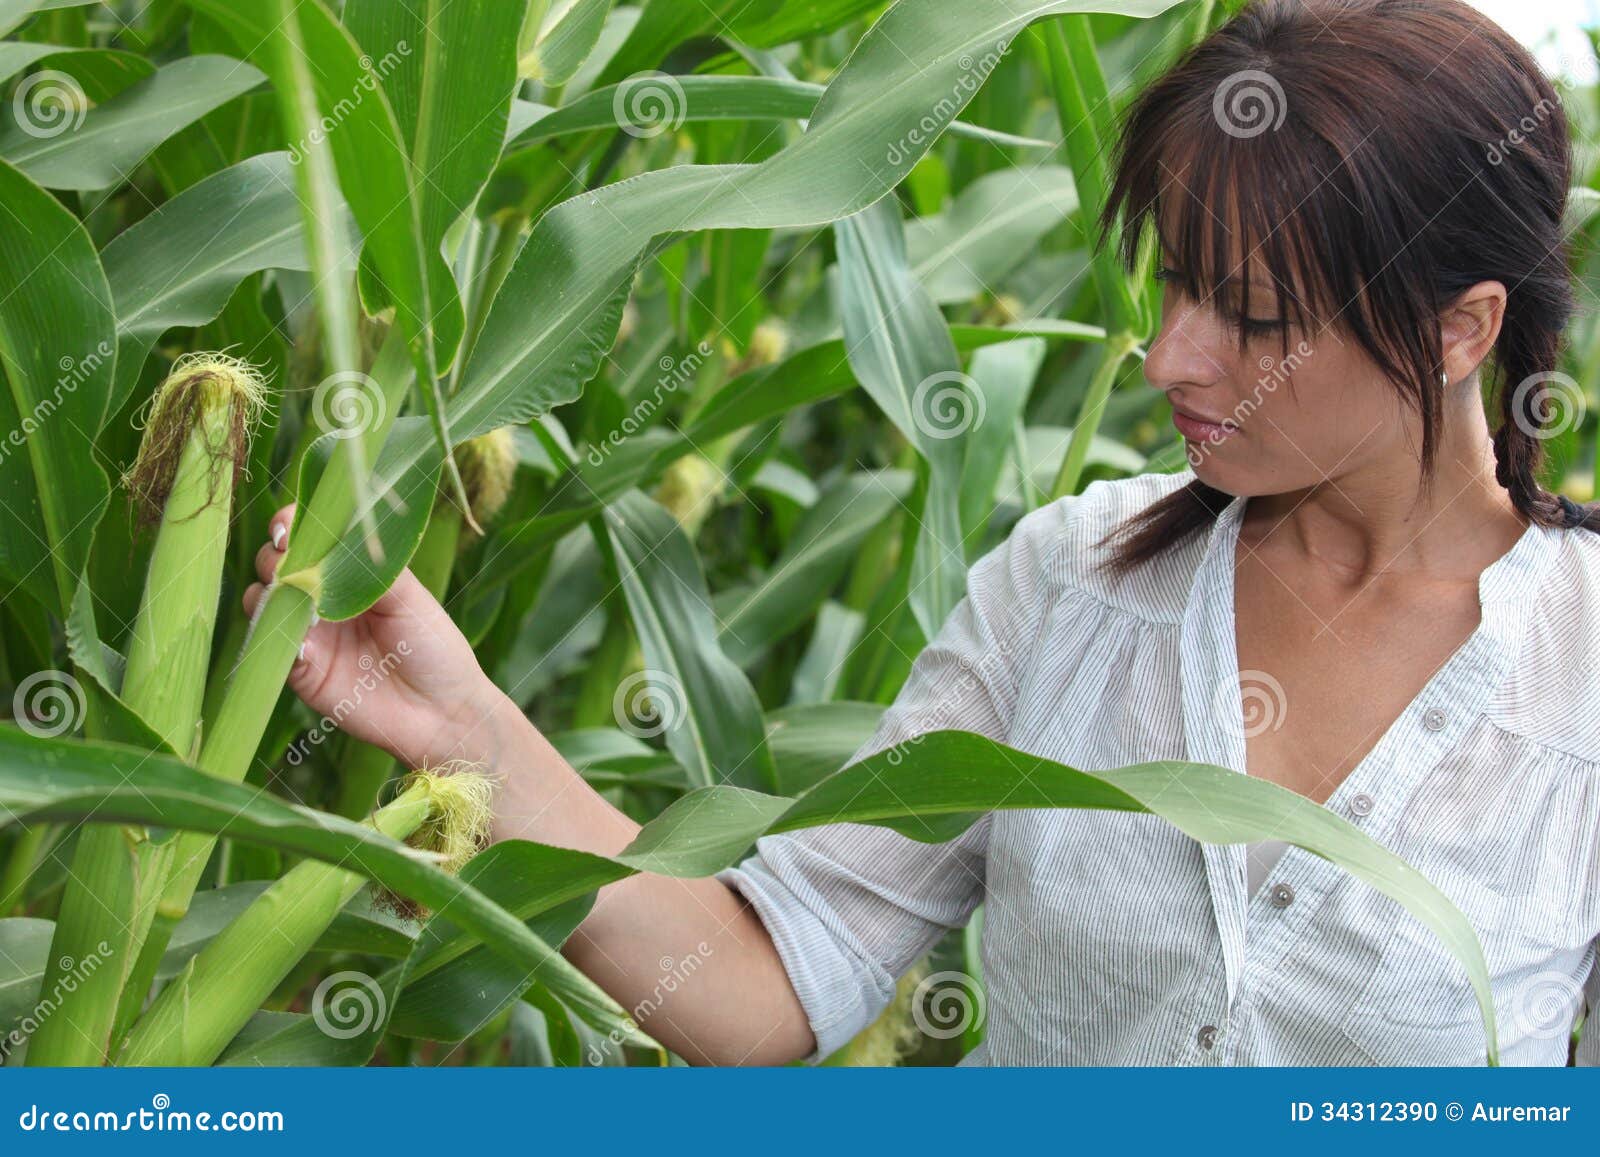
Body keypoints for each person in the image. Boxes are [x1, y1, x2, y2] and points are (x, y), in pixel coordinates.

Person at [247, 0, 1600, 1065]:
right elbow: (770, 977)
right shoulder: (1068, 580)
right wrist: (464, 725)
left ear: (1458, 328)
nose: (1170, 356)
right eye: (1176, 284)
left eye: (1248, 314)